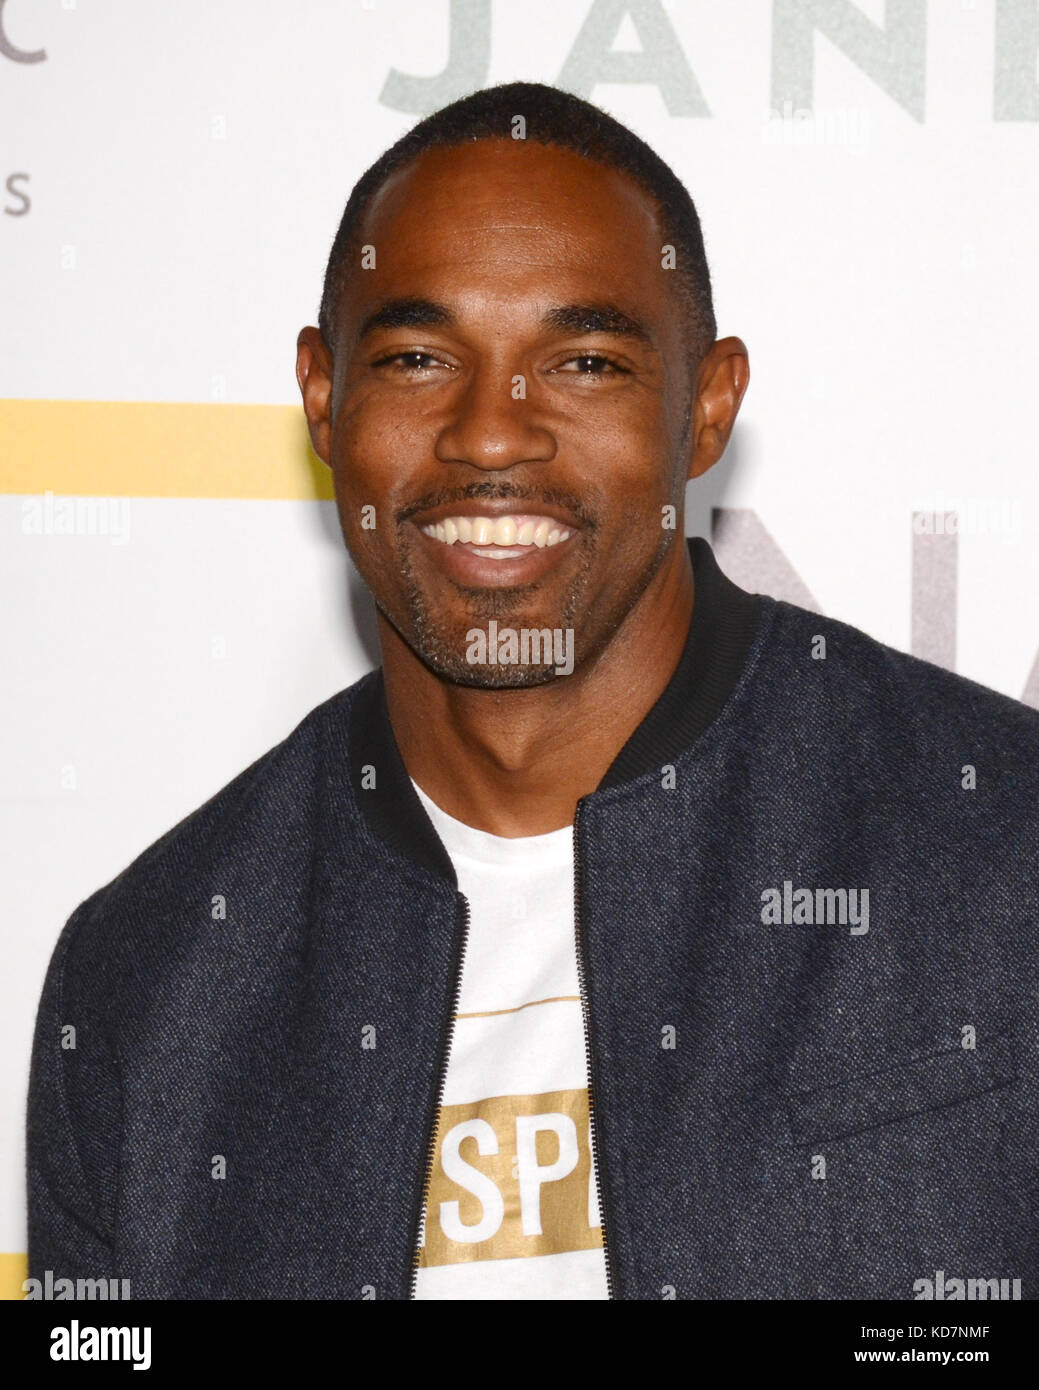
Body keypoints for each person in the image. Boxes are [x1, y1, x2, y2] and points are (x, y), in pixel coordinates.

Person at [27, 81, 1039, 1301]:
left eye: (584, 360)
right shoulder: (145, 982)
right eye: (414, 356)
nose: (491, 434)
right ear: (321, 397)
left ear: (706, 405)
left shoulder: (998, 843)